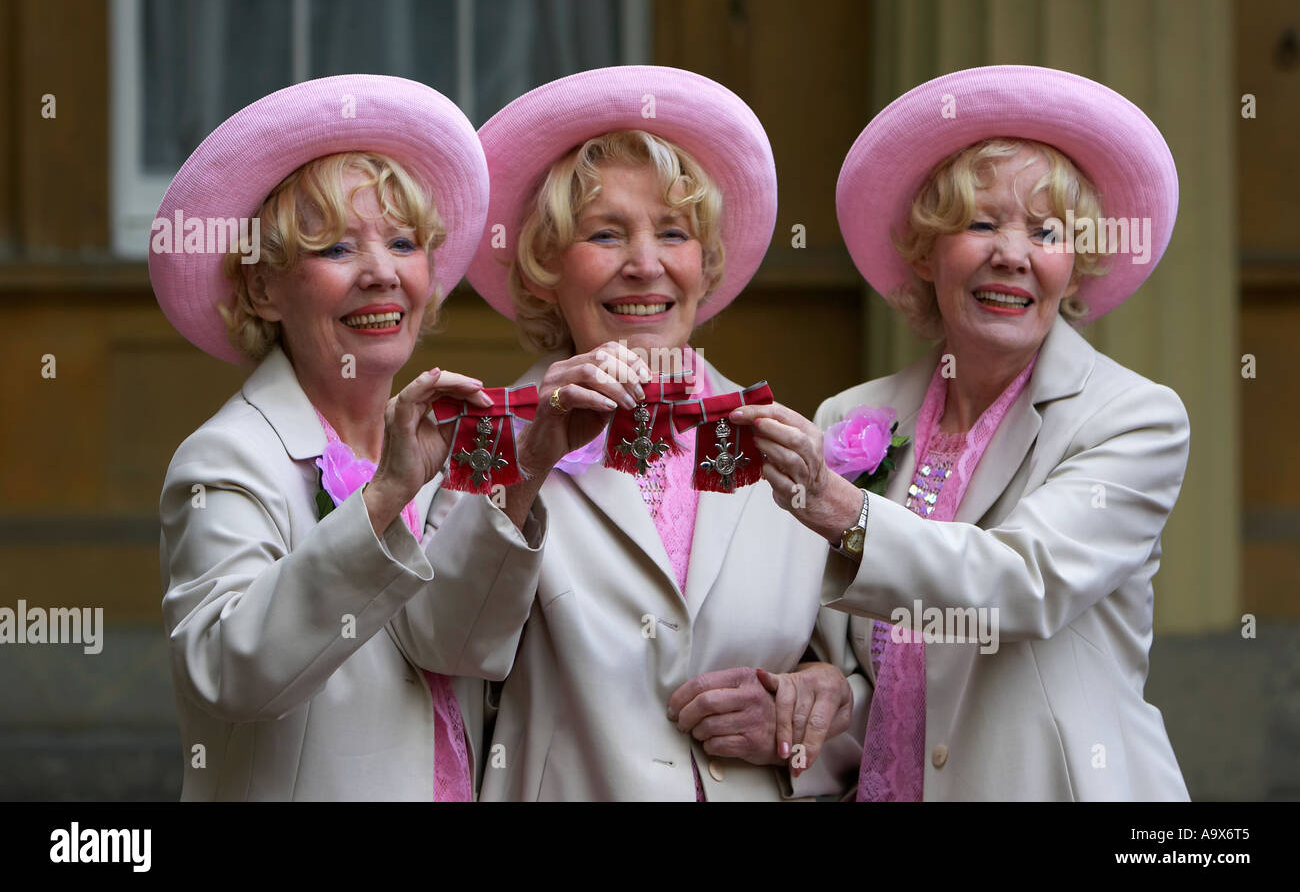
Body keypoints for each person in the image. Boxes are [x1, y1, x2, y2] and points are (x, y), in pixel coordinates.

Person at [732, 64, 1191, 800]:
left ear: (1072, 270)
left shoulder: (1134, 417)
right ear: (925, 251)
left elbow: (1022, 583)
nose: (1012, 253)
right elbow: (849, 652)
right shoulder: (851, 419)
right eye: (981, 224)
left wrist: (845, 511)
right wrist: (824, 686)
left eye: (1047, 232)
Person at [463, 65, 863, 800]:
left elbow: (860, 698)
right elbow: (448, 650)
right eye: (605, 233)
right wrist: (528, 460)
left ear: (704, 264)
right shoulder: (496, 438)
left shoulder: (780, 439)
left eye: (673, 233)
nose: (645, 264)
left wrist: (806, 704)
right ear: (547, 264)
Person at [152, 75, 546, 800]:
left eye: (403, 242)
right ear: (263, 289)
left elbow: (461, 648)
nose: (382, 273)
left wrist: (528, 465)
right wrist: (385, 495)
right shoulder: (227, 456)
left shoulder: (434, 444)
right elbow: (226, 670)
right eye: (336, 248)